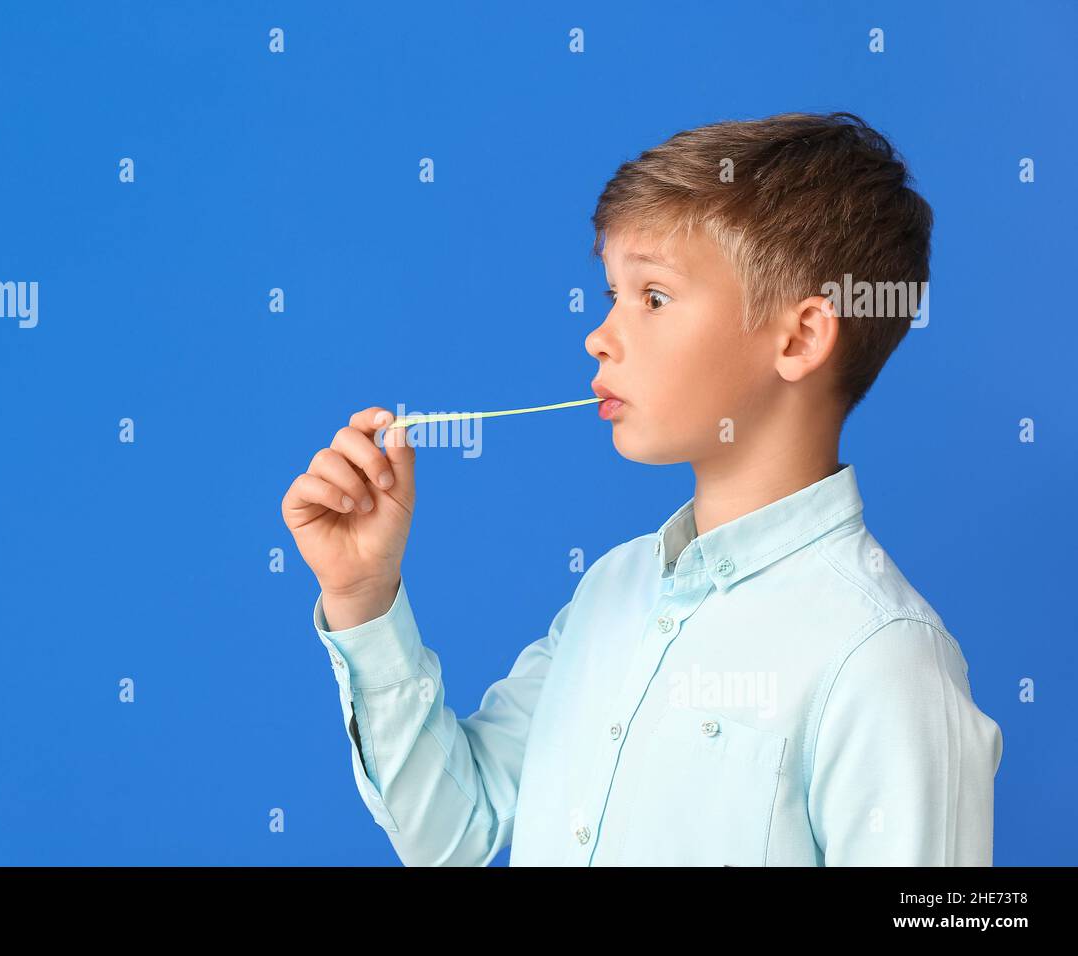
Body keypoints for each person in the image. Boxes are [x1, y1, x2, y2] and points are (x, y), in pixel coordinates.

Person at [280, 112, 1003, 866]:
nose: (599, 335)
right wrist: (364, 597)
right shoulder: (611, 593)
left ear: (800, 338)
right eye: (609, 293)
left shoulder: (883, 661)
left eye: (653, 297)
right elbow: (453, 831)